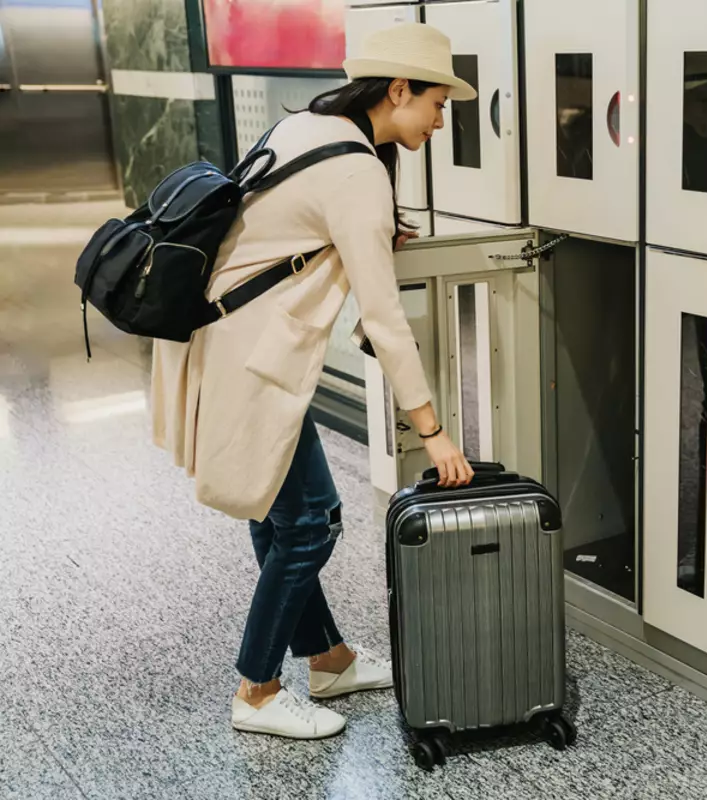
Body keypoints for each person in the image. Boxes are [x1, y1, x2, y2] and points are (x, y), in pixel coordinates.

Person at [150, 22, 476, 740]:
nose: (442, 117)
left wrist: (369, 235)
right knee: (309, 520)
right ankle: (258, 691)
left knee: (279, 512)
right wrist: (434, 431)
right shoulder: (359, 169)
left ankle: (325, 659)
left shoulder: (307, 125)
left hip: (233, 339)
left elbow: (283, 223)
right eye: (437, 102)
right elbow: (385, 318)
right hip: (253, 355)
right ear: (398, 91)